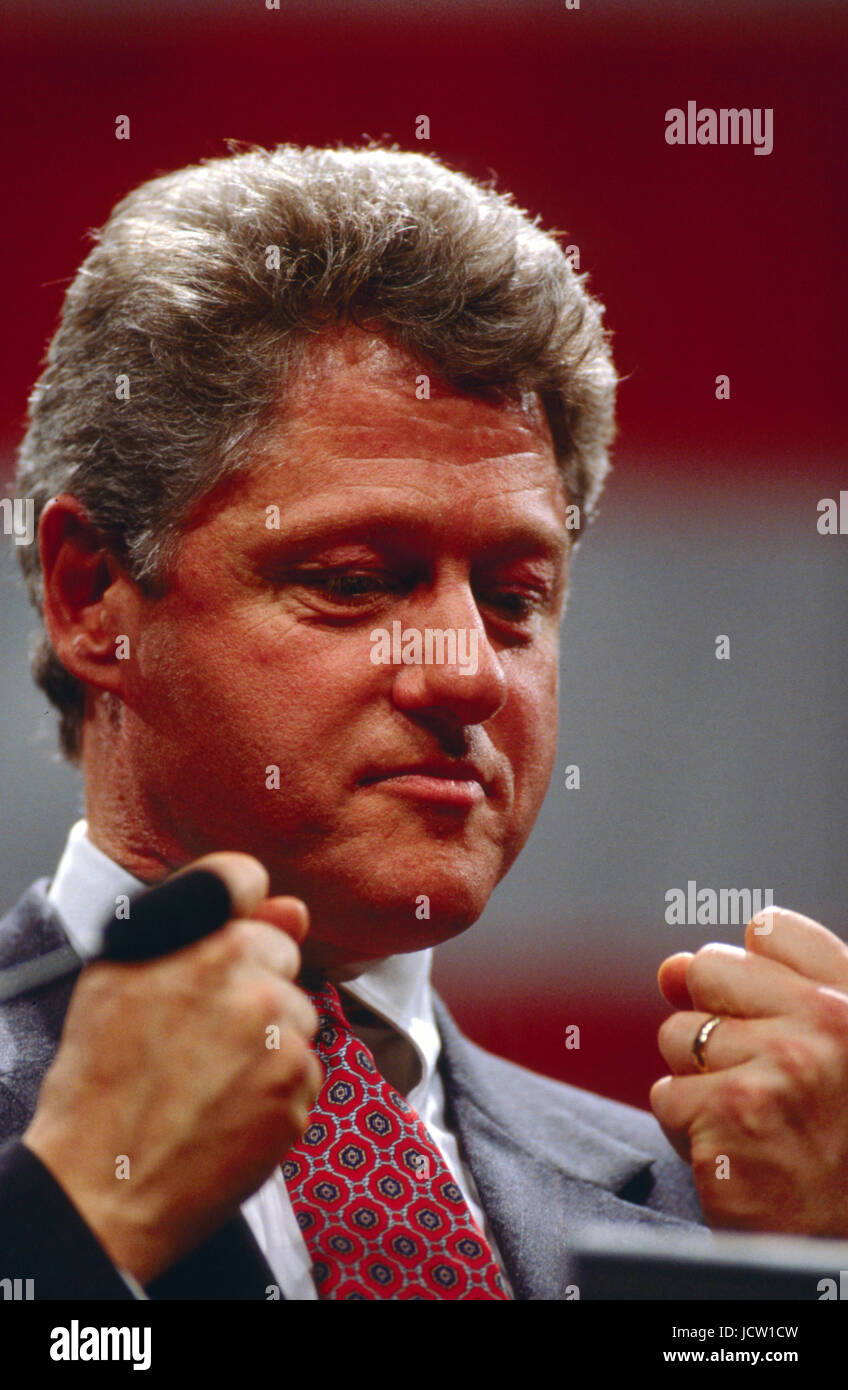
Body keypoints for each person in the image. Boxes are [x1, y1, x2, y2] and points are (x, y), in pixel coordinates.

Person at [1, 143, 845, 1302]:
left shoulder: (724, 1212)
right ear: (92, 595)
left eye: (512, 599)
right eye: (353, 578)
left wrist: (794, 1282)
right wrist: (65, 1228)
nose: (467, 678)